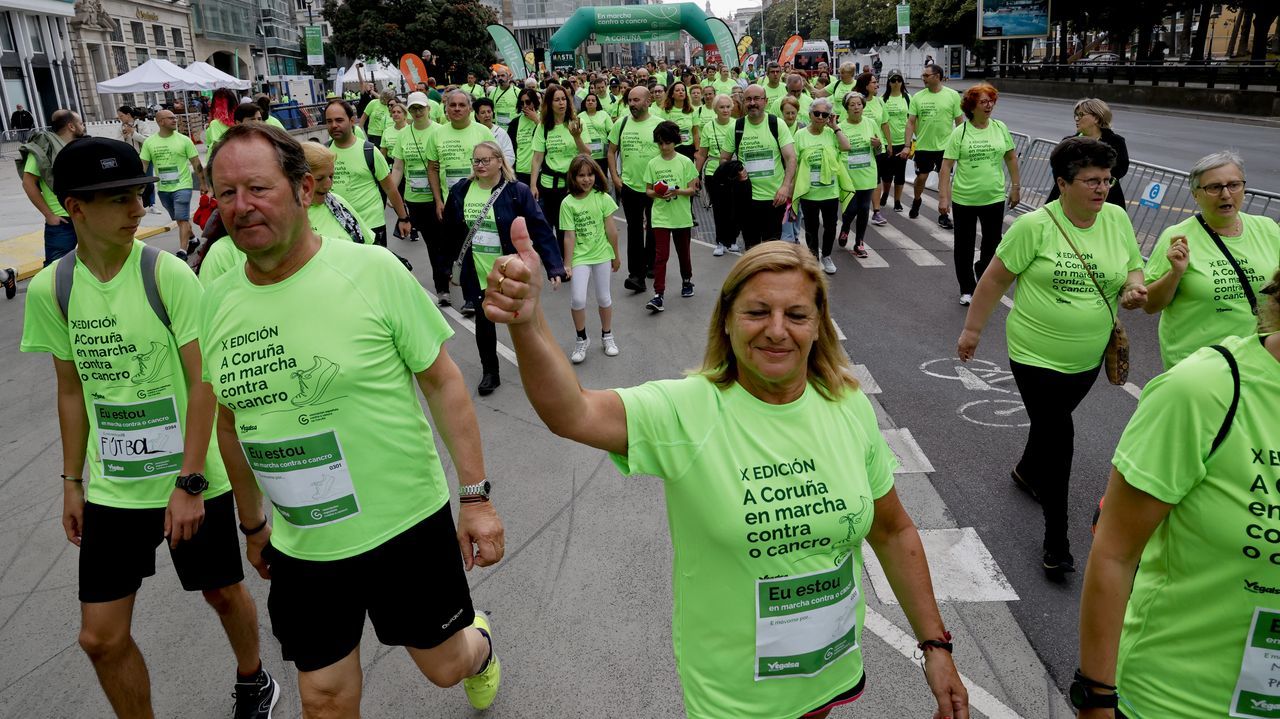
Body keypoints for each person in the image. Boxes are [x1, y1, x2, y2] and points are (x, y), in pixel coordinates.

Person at [484, 239, 971, 719]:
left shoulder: (847, 405)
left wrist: (936, 646)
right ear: (727, 319)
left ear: (819, 325)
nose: (777, 331)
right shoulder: (688, 409)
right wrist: (529, 323)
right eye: (758, 312)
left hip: (828, 673)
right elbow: (572, 413)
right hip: (732, 696)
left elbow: (891, 530)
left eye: (797, 316)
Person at [202, 123, 505, 716]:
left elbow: (443, 382)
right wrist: (253, 524)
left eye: (258, 189)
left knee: (445, 666)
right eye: (226, 193)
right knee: (324, 695)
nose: (241, 207)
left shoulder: (372, 271)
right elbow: (231, 424)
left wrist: (475, 498)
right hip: (304, 544)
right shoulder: (214, 302)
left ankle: (481, 648)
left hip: (403, 527)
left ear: (303, 191)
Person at [20, 136, 280, 719]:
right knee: (100, 638)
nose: (139, 209)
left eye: (139, 193)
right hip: (116, 490)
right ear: (74, 208)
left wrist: (189, 482)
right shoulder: (52, 289)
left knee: (220, 592)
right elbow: (71, 388)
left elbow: (204, 382)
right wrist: (71, 481)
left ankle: (253, 676)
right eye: (119, 199)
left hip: (191, 480)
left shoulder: (167, 276)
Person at [1076, 270, 1280, 719]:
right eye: (1213, 189)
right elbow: (1114, 552)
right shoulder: (1202, 390)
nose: (1226, 192)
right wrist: (1095, 700)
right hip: (1174, 703)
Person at [957, 137, 1148, 579]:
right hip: (1034, 355)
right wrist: (972, 331)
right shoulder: (1035, 227)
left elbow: (1132, 264)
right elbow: (994, 279)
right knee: (1060, 436)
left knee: (1049, 425)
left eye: (1107, 179)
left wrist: (1134, 286)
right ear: (1062, 183)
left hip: (1087, 359)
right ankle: (1057, 540)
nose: (1102, 189)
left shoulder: (1116, 219)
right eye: (1091, 181)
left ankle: (1026, 469)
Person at [444, 140, 565, 395]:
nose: (480, 165)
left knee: (522, 321)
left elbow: (540, 228)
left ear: (500, 161)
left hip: (511, 273)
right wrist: (451, 265)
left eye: (486, 160)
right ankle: (491, 372)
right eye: (476, 160)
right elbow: (452, 231)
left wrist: (554, 266)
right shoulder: (461, 190)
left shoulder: (516, 191)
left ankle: (538, 367)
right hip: (477, 273)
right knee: (484, 323)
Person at [1142, 151, 1280, 369]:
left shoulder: (1268, 229)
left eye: (1234, 184)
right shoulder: (1177, 236)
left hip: (1257, 363)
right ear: (1196, 195)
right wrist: (1175, 273)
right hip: (1198, 366)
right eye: (1214, 187)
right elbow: (1150, 305)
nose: (1226, 194)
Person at [937, 83, 1021, 307]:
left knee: (993, 244)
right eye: (984, 102)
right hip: (965, 198)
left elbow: (1010, 158)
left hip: (993, 197)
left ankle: (981, 270)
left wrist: (1016, 187)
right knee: (964, 245)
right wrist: (943, 197)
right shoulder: (960, 132)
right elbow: (946, 167)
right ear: (972, 106)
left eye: (991, 101)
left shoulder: (1000, 127)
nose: (989, 105)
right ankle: (966, 288)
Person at [719, 84, 798, 250]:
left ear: (765, 101)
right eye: (748, 99)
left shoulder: (777, 124)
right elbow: (724, 159)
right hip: (746, 199)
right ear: (743, 102)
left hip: (774, 199)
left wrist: (785, 187)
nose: (752, 103)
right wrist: (737, 172)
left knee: (772, 248)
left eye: (757, 99)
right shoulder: (736, 127)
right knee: (752, 248)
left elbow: (791, 158)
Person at [324, 99, 412, 247]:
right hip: (338, 227)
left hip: (371, 226)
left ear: (352, 121)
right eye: (329, 121)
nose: (334, 125)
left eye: (339, 120)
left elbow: (390, 188)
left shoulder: (369, 151)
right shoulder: (323, 153)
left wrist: (403, 218)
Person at [559, 154, 621, 363]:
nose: (586, 179)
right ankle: (581, 338)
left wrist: (616, 255)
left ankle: (607, 335)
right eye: (581, 175)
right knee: (577, 299)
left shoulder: (603, 198)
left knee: (604, 297)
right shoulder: (567, 203)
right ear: (573, 178)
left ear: (596, 175)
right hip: (580, 257)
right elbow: (569, 236)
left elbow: (612, 231)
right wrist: (567, 264)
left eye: (590, 174)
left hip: (602, 254)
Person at [608, 85, 663, 294]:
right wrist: (615, 176)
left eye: (636, 100)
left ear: (648, 101)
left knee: (655, 227)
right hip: (629, 186)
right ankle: (636, 275)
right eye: (630, 100)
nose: (632, 104)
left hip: (654, 187)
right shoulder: (621, 124)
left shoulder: (659, 124)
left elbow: (669, 153)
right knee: (634, 230)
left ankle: (651, 265)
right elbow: (611, 151)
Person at [643, 121, 699, 313]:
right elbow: (648, 191)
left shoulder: (685, 162)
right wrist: (658, 194)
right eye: (660, 143)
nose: (664, 147)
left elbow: (692, 190)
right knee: (661, 256)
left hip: (681, 216)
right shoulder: (652, 163)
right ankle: (658, 294)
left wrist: (676, 191)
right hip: (660, 217)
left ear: (674, 141)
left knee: (684, 252)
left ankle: (687, 280)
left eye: (667, 142)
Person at [792, 98, 850, 274]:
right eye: (816, 113)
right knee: (811, 227)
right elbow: (794, 162)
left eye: (824, 114)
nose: (820, 117)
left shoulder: (832, 134)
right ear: (810, 114)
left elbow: (846, 147)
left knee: (831, 226)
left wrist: (835, 127)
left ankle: (826, 255)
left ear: (829, 117)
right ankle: (813, 257)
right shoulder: (800, 135)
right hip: (809, 192)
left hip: (830, 192)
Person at [21, 108, 86, 265]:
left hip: (86, 217)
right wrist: (49, 215)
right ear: (71, 126)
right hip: (62, 221)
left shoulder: (80, 147)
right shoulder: (44, 149)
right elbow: (28, 183)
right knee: (55, 269)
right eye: (80, 123)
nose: (83, 126)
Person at [901, 64, 962, 228]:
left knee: (945, 180)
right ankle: (916, 200)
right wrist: (907, 145)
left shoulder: (952, 95)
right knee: (921, 178)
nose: (923, 78)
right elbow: (910, 123)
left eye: (926, 75)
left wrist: (961, 143)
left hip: (946, 148)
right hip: (923, 147)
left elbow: (959, 122)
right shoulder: (918, 97)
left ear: (937, 76)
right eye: (923, 75)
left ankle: (944, 215)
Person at [140, 110, 206, 261]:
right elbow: (143, 165)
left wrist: (203, 183)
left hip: (183, 185)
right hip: (163, 189)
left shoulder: (184, 140)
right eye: (170, 118)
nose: (175, 120)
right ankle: (193, 240)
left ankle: (182, 251)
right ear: (160, 122)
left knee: (182, 218)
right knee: (178, 218)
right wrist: (140, 186)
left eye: (175, 117)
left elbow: (196, 163)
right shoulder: (150, 142)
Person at [530, 84, 591, 245]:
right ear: (549, 103)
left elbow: (587, 154)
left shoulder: (577, 122)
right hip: (549, 186)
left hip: (573, 184)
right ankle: (555, 266)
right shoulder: (543, 127)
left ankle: (569, 264)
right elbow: (537, 158)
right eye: (557, 100)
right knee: (548, 229)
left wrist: (577, 137)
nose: (561, 103)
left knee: (570, 229)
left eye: (564, 99)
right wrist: (533, 185)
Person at [1045, 98, 1128, 209]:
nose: (1076, 119)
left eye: (1081, 115)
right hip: (1069, 196)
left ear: (1096, 118)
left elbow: (1120, 169)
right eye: (1076, 115)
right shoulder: (1068, 142)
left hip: (1105, 198)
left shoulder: (1115, 141)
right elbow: (1058, 169)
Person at [696, 93, 743, 257]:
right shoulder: (709, 127)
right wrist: (696, 175)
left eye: (727, 106)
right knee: (719, 208)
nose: (725, 110)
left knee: (735, 208)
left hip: (734, 172)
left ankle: (733, 240)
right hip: (713, 172)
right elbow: (702, 153)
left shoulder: (738, 125)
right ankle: (721, 241)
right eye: (721, 107)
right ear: (715, 109)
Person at [837, 93, 881, 260]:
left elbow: (878, 150)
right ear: (846, 108)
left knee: (863, 209)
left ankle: (859, 242)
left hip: (867, 174)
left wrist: (878, 145)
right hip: (848, 175)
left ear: (863, 106)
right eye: (852, 105)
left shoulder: (870, 123)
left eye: (859, 104)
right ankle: (846, 227)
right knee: (851, 209)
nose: (856, 107)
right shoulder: (840, 126)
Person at [853, 73, 892, 227]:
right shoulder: (854, 101)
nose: (877, 85)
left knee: (876, 178)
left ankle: (876, 211)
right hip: (858, 148)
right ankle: (853, 207)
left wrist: (888, 143)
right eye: (874, 82)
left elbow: (885, 124)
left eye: (876, 82)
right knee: (857, 178)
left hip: (876, 148)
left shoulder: (879, 102)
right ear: (865, 85)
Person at [879, 72, 910, 213]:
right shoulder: (882, 99)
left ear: (902, 82)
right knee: (886, 173)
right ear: (889, 83)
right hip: (886, 141)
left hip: (903, 142)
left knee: (900, 173)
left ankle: (897, 201)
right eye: (893, 80)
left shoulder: (908, 98)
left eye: (899, 80)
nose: (896, 83)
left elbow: (913, 120)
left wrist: (911, 142)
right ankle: (885, 193)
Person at [474, 97, 516, 168]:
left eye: (489, 112)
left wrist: (496, 169)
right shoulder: (473, 132)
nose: (487, 115)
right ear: (477, 116)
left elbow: (510, 157)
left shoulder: (501, 133)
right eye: (483, 113)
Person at [579, 92, 613, 181]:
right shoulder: (580, 116)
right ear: (585, 103)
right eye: (588, 100)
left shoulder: (604, 114)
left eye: (593, 100)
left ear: (597, 103)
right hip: (587, 154)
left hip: (602, 154)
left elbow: (611, 132)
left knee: (602, 178)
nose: (590, 102)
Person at [663, 82, 699, 160]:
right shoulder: (666, 111)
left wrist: (697, 150)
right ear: (672, 95)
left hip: (689, 149)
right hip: (673, 149)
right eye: (677, 90)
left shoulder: (692, 110)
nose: (681, 92)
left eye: (683, 90)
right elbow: (663, 133)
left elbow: (695, 132)